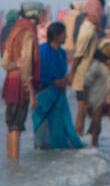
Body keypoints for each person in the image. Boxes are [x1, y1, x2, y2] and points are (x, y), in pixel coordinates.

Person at [32, 21, 82, 150]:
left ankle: (59, 151)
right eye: (64, 35)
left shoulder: (62, 52)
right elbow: (37, 74)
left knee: (59, 126)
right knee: (43, 127)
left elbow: (62, 72)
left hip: (59, 95)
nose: (66, 38)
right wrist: (53, 82)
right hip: (45, 94)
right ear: (56, 35)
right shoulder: (42, 51)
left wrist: (64, 81)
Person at [1, 1, 41, 160]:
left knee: (11, 126)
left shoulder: (14, 31)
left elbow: (4, 63)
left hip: (10, 80)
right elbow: (26, 65)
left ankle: (10, 163)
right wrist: (31, 92)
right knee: (17, 127)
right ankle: (15, 166)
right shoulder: (28, 33)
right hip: (19, 83)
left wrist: (14, 64)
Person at [69, 0, 106, 136]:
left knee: (89, 110)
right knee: (82, 110)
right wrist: (72, 73)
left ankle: (88, 139)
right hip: (83, 76)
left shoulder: (93, 28)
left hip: (90, 75)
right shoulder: (87, 28)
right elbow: (79, 53)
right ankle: (80, 139)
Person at [83, 38, 110, 147]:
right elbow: (86, 84)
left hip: (107, 99)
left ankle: (92, 145)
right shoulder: (97, 67)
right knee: (96, 127)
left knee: (95, 125)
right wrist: (86, 103)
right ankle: (93, 147)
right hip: (97, 100)